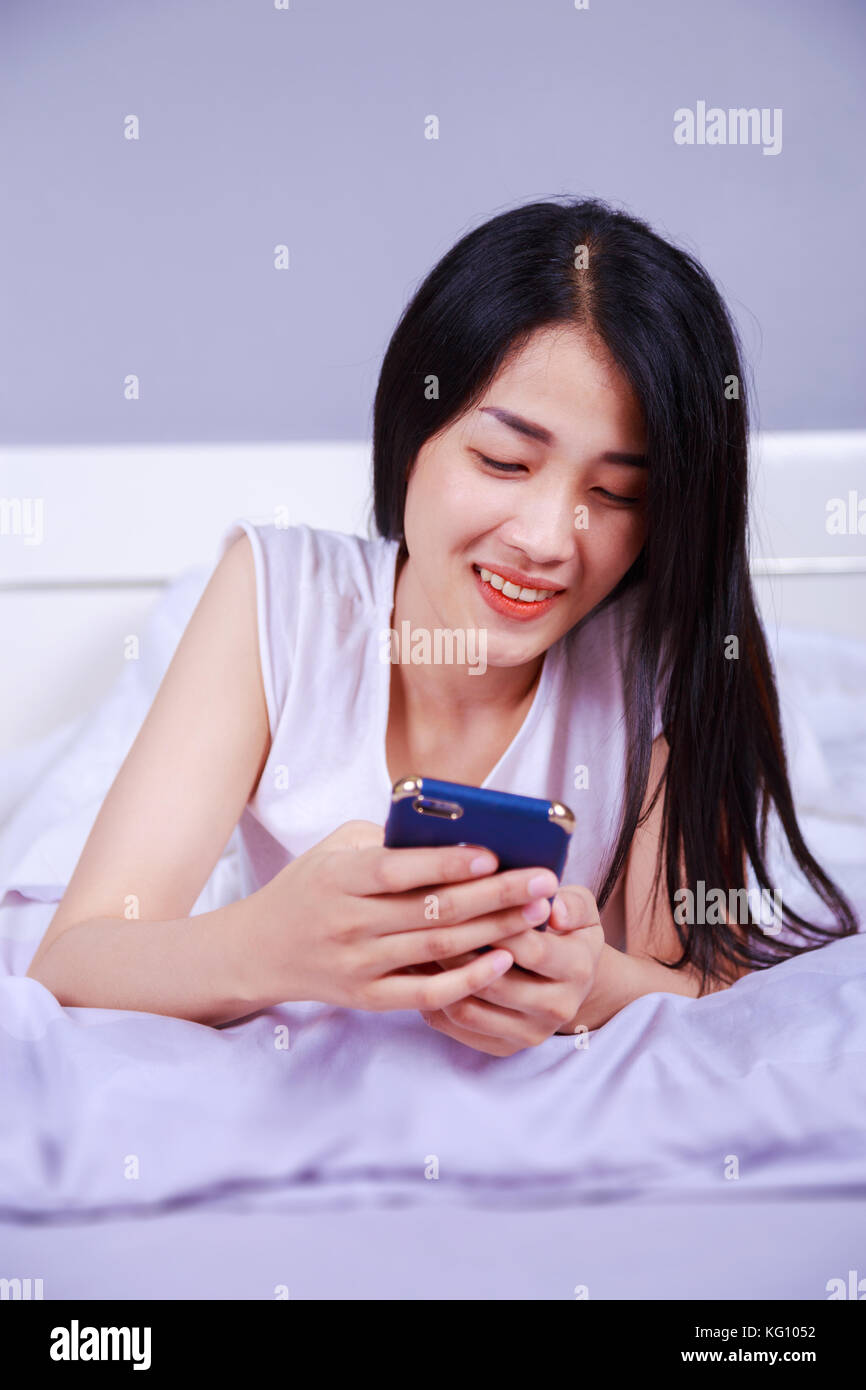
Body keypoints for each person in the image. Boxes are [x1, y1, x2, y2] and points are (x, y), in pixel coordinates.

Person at [26, 196, 857, 1055]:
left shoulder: (666, 657)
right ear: (412, 432)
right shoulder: (277, 600)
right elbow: (74, 961)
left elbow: (699, 986)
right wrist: (267, 947)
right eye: (504, 461)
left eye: (615, 495)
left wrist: (592, 986)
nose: (544, 540)